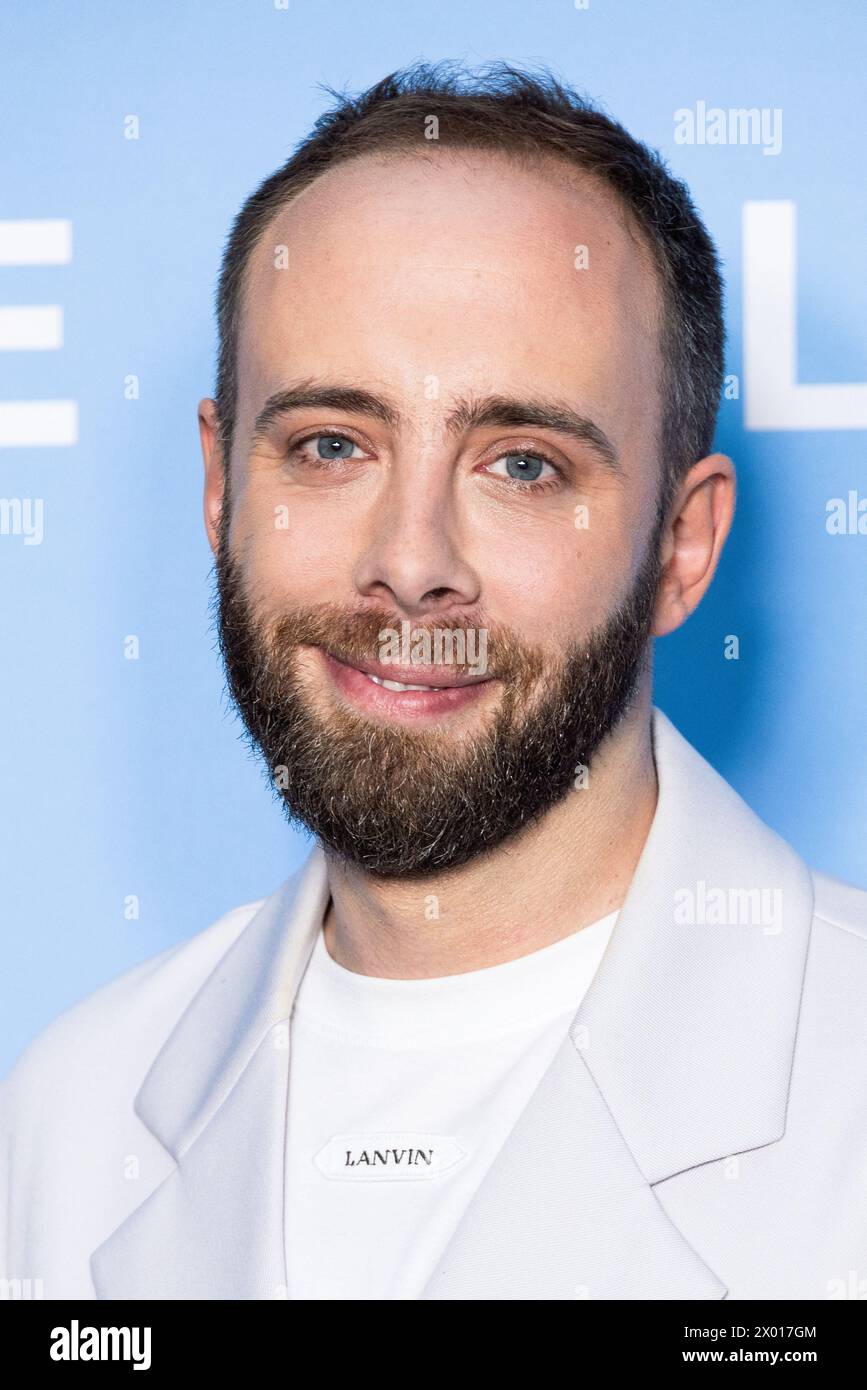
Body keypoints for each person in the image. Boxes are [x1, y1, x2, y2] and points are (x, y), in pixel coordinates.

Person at [2, 62, 865, 1303]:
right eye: (330, 446)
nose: (411, 566)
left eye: (522, 464)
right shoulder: (67, 1119)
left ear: (683, 547)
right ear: (219, 487)